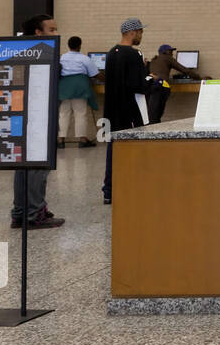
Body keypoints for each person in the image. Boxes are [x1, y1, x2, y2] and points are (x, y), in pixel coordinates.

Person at [4, 15, 65, 230]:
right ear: (38, 33)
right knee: (38, 168)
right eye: (51, 30)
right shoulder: (46, 54)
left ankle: (20, 213)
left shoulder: (18, 53)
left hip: (21, 119)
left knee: (22, 167)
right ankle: (34, 214)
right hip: (39, 120)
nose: (56, 33)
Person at [102, 18, 148, 206]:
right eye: (140, 32)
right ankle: (131, 186)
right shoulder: (134, 54)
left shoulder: (112, 53)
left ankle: (109, 190)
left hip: (112, 109)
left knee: (114, 148)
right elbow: (138, 85)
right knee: (132, 149)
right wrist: (150, 79)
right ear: (132, 32)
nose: (141, 35)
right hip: (129, 109)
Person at [58, 35, 98, 148]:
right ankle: (82, 139)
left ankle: (60, 140)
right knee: (80, 113)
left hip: (64, 87)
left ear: (68, 46)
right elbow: (95, 74)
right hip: (80, 87)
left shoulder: (62, 58)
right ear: (80, 46)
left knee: (63, 114)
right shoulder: (84, 58)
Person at [147, 45, 200, 123]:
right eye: (170, 51)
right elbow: (185, 70)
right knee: (157, 112)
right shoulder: (167, 58)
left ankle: (152, 128)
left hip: (151, 85)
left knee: (153, 112)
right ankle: (155, 129)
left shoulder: (153, 60)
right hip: (161, 85)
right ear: (164, 52)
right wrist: (199, 78)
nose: (172, 53)